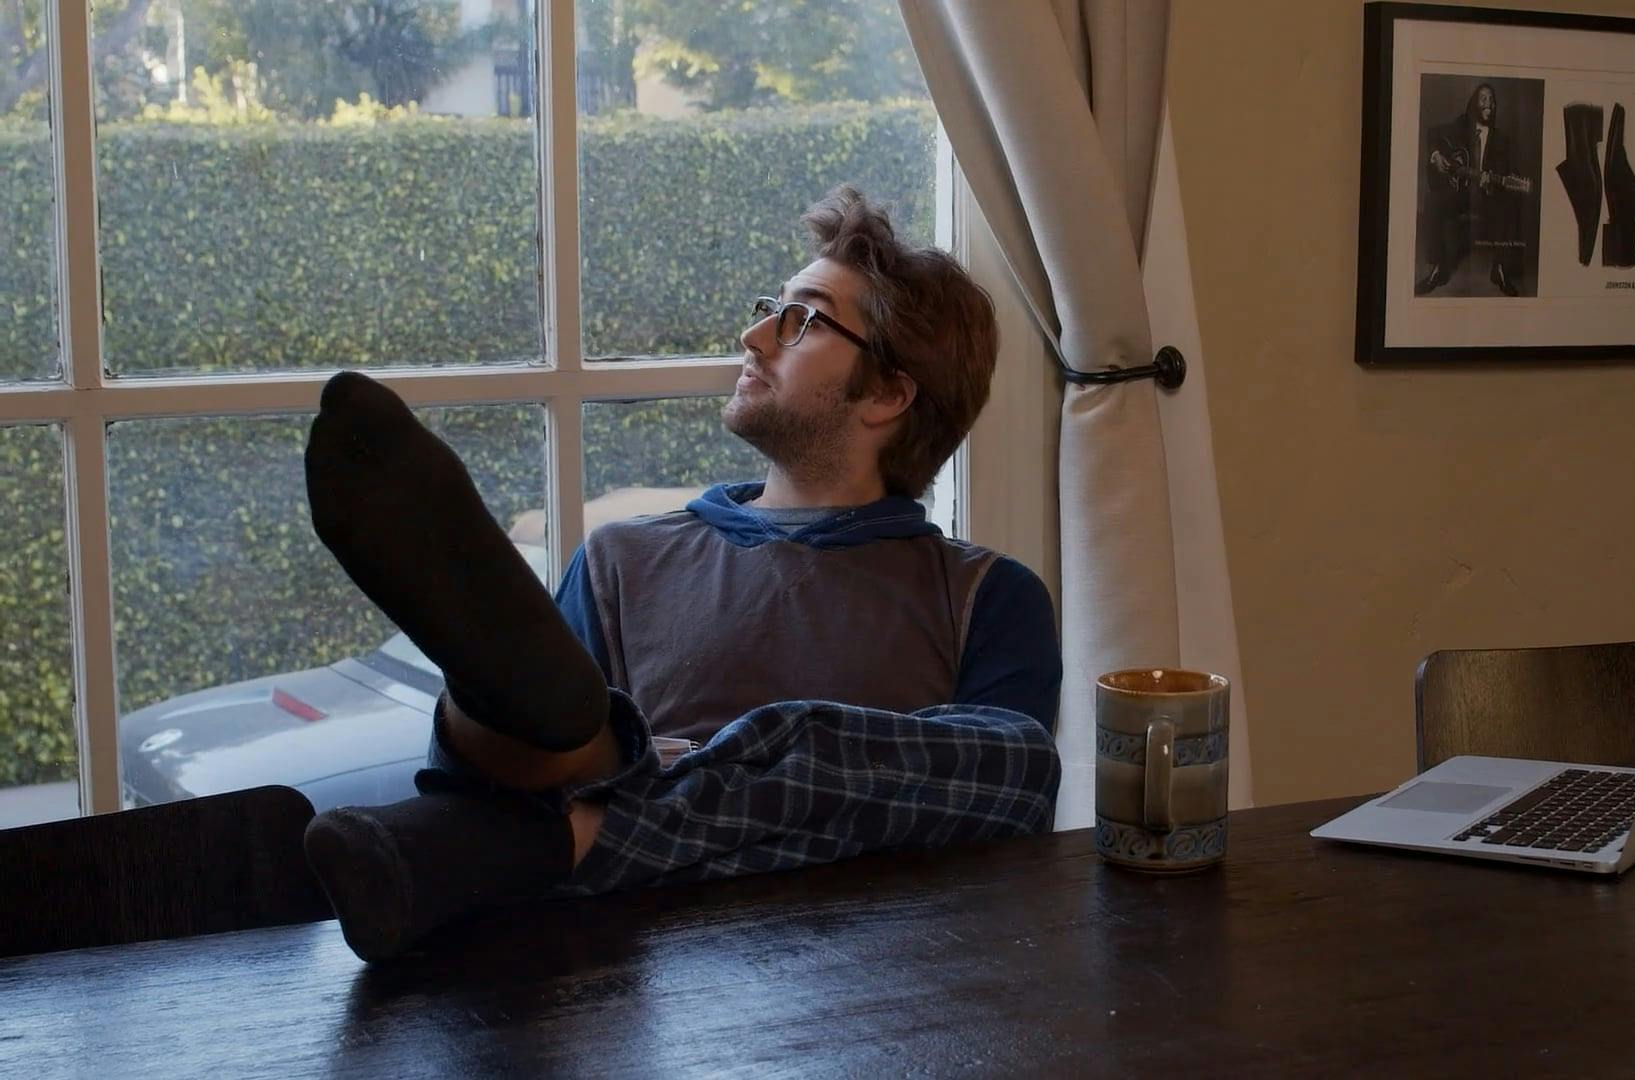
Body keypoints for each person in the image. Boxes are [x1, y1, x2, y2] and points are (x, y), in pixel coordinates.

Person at [299, 187, 1063, 963]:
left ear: (889, 394)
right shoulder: (620, 561)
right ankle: (527, 752)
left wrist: (680, 763)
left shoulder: (984, 596)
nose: (754, 334)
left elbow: (1011, 792)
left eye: (801, 320)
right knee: (535, 761)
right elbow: (511, 804)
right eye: (773, 307)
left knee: (1013, 755)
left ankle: (579, 826)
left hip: (870, 982)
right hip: (638, 979)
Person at [1415, 82, 1526, 298]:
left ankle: (1499, 269)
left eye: (1492, 101)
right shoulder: (1460, 125)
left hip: (1486, 196)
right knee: (1432, 201)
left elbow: (1509, 172)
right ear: (1474, 102)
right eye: (1484, 98)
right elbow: (1433, 134)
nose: (1489, 104)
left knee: (1511, 203)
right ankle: (1438, 268)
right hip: (1459, 193)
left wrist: (1492, 182)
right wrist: (1436, 156)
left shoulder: (1502, 140)